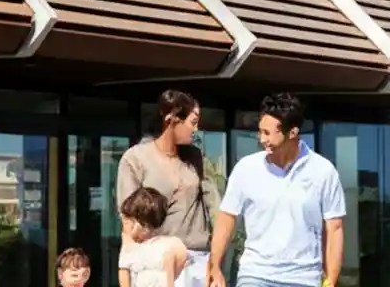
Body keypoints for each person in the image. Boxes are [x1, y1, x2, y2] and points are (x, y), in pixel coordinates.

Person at [208, 93, 345, 287]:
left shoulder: (323, 171)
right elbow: (226, 219)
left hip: (303, 278)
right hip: (255, 275)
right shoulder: (246, 168)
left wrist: (331, 279)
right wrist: (215, 266)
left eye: (268, 133)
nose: (261, 139)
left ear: (292, 133)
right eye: (260, 131)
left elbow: (334, 228)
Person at [117, 90, 218, 286]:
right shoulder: (135, 158)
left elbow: (214, 206)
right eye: (193, 121)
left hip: (198, 259)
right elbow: (128, 221)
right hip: (157, 260)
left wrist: (216, 261)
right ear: (172, 120)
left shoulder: (195, 157)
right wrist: (126, 273)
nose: (195, 129)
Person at [118, 187, 188, 287]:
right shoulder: (137, 249)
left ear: (140, 225)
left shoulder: (160, 251)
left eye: (126, 221)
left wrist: (127, 248)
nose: (124, 227)